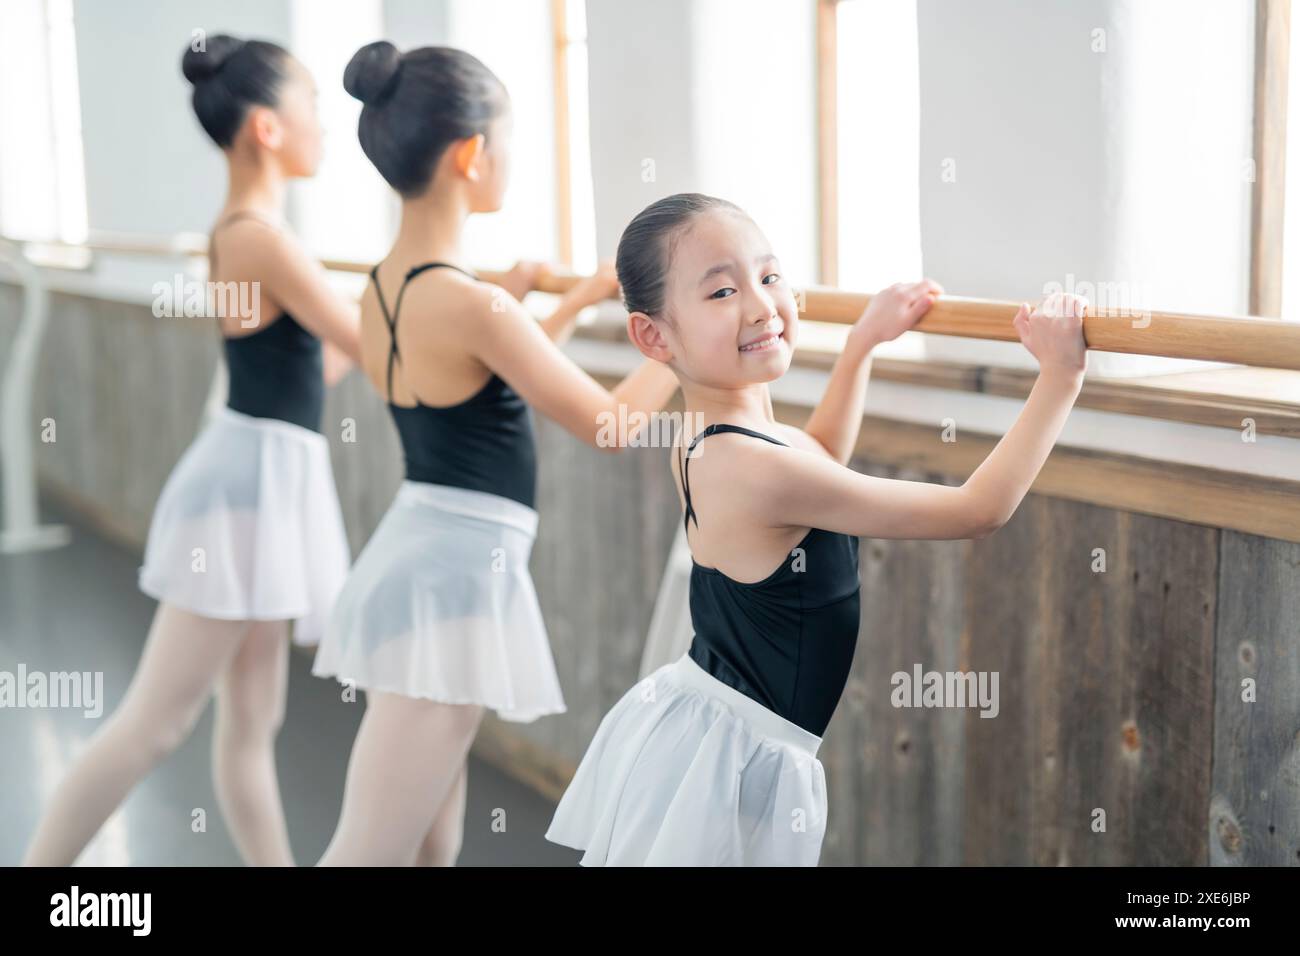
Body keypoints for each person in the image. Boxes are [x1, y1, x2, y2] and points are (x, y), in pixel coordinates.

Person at [546, 192, 1088, 865]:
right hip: (732, 761)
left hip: (718, 730)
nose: (760, 305)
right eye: (721, 292)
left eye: (769, 277)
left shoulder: (724, 435)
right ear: (654, 336)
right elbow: (979, 510)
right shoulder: (749, 466)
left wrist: (860, 344)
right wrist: (1060, 378)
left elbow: (819, 455)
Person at [311, 41, 678, 866]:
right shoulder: (475, 304)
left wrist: (578, 301)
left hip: (416, 560)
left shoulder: (381, 287)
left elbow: (488, 383)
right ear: (472, 155)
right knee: (368, 850)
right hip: (452, 581)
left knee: (428, 846)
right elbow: (611, 425)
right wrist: (683, 342)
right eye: (509, 144)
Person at [23, 35, 362, 867]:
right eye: (310, 105)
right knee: (158, 720)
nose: (322, 123)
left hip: (262, 485)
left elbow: (320, 363)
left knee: (252, 723)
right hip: (244, 493)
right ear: (266, 129)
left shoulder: (257, 231)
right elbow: (373, 339)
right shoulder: (256, 235)